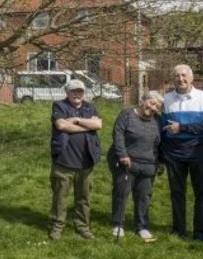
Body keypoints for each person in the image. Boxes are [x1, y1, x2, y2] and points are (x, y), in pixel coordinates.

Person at [160, 64, 203, 241]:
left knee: (201, 193)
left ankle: (200, 233)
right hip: (174, 154)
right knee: (177, 193)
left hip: (199, 152)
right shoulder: (166, 99)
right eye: (177, 76)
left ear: (192, 78)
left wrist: (182, 128)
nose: (181, 79)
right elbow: (163, 128)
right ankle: (179, 230)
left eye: (184, 75)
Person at [48, 78, 102, 241]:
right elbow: (62, 126)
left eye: (80, 91)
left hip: (86, 162)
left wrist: (77, 120)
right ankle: (57, 227)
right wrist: (87, 126)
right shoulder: (59, 105)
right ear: (67, 92)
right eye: (73, 91)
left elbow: (98, 125)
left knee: (84, 198)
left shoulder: (90, 107)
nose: (77, 94)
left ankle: (82, 226)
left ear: (84, 93)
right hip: (63, 162)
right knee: (60, 198)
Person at [107, 90, 163, 242]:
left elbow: (161, 144)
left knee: (144, 196)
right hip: (126, 162)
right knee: (122, 193)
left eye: (157, 106)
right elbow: (118, 134)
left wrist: (161, 163)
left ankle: (142, 226)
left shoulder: (158, 120)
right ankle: (118, 223)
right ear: (142, 100)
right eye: (151, 103)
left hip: (148, 164)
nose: (152, 108)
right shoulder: (127, 114)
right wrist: (122, 155)